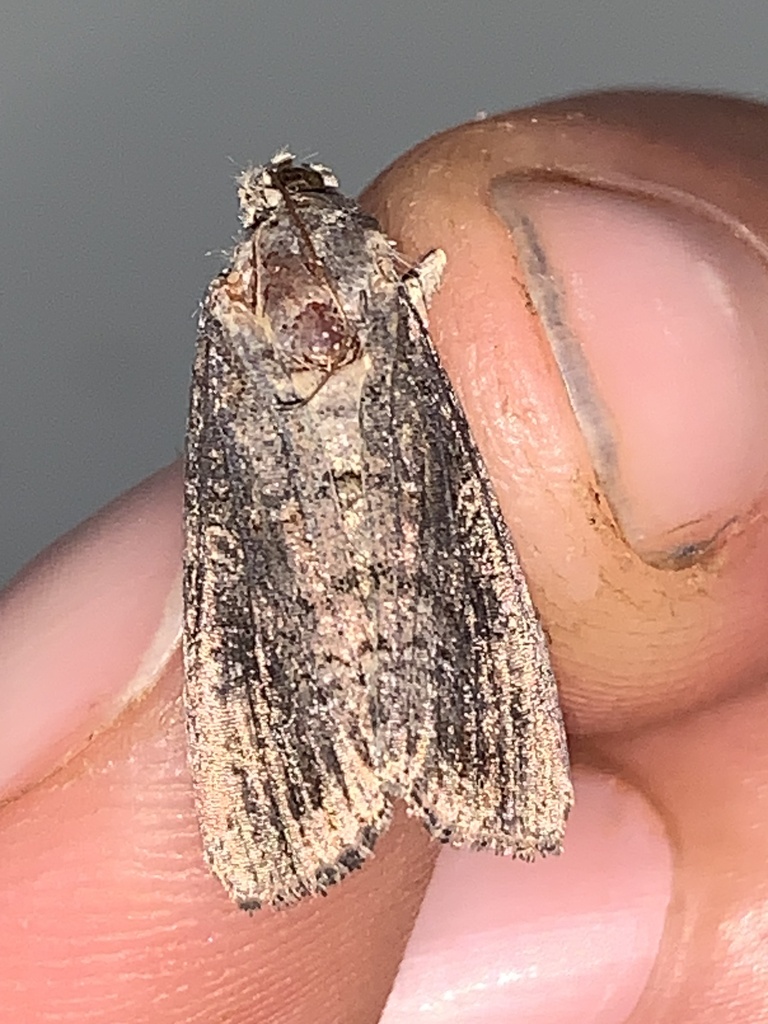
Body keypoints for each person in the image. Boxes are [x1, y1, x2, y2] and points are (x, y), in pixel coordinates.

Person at [2, 90, 767, 1023]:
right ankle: (466, 770)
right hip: (411, 510)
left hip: (294, 527)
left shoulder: (237, 314)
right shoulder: (372, 289)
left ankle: (319, 803)